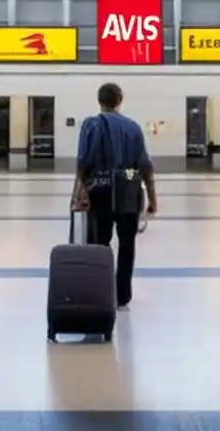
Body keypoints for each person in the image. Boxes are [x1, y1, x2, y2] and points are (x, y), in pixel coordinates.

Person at [73, 82, 157, 308]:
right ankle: (122, 294)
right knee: (127, 243)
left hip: (98, 188)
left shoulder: (90, 125)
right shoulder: (133, 127)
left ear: (99, 100)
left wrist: (80, 191)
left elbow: (83, 163)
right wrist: (151, 197)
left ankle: (101, 287)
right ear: (119, 100)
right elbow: (143, 166)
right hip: (128, 188)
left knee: (100, 243)